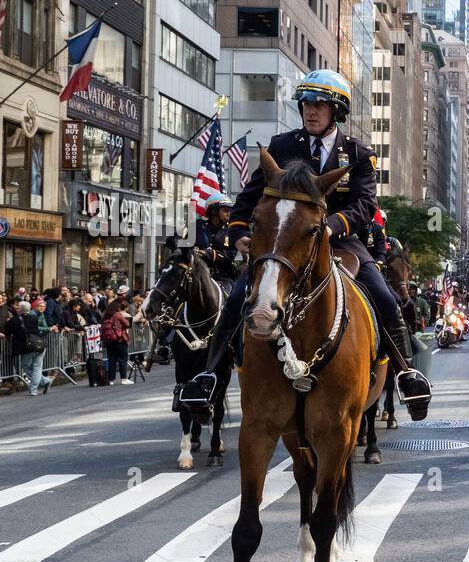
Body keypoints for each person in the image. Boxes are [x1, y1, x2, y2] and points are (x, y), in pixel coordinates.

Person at [177, 68, 431, 416]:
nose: (311, 110)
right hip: (285, 244)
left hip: (340, 241)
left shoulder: (358, 154)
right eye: (306, 103)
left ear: (336, 111)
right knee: (237, 298)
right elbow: (249, 197)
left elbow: (364, 204)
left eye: (320, 104)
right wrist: (238, 232)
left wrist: (330, 226)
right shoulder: (282, 147)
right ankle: (209, 377)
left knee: (384, 297)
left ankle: (406, 374)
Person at [10, 300, 51, 396]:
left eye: (18, 307)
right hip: (39, 344)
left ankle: (35, 388)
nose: (16, 308)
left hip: (28, 346)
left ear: (20, 309)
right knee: (36, 367)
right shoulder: (34, 318)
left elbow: (9, 330)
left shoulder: (15, 320)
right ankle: (44, 382)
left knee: (27, 366)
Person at [101, 299, 133, 385]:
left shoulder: (105, 316)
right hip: (119, 339)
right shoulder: (118, 315)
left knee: (112, 360)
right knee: (123, 359)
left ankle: (111, 380)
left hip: (109, 341)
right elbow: (127, 324)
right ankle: (124, 378)